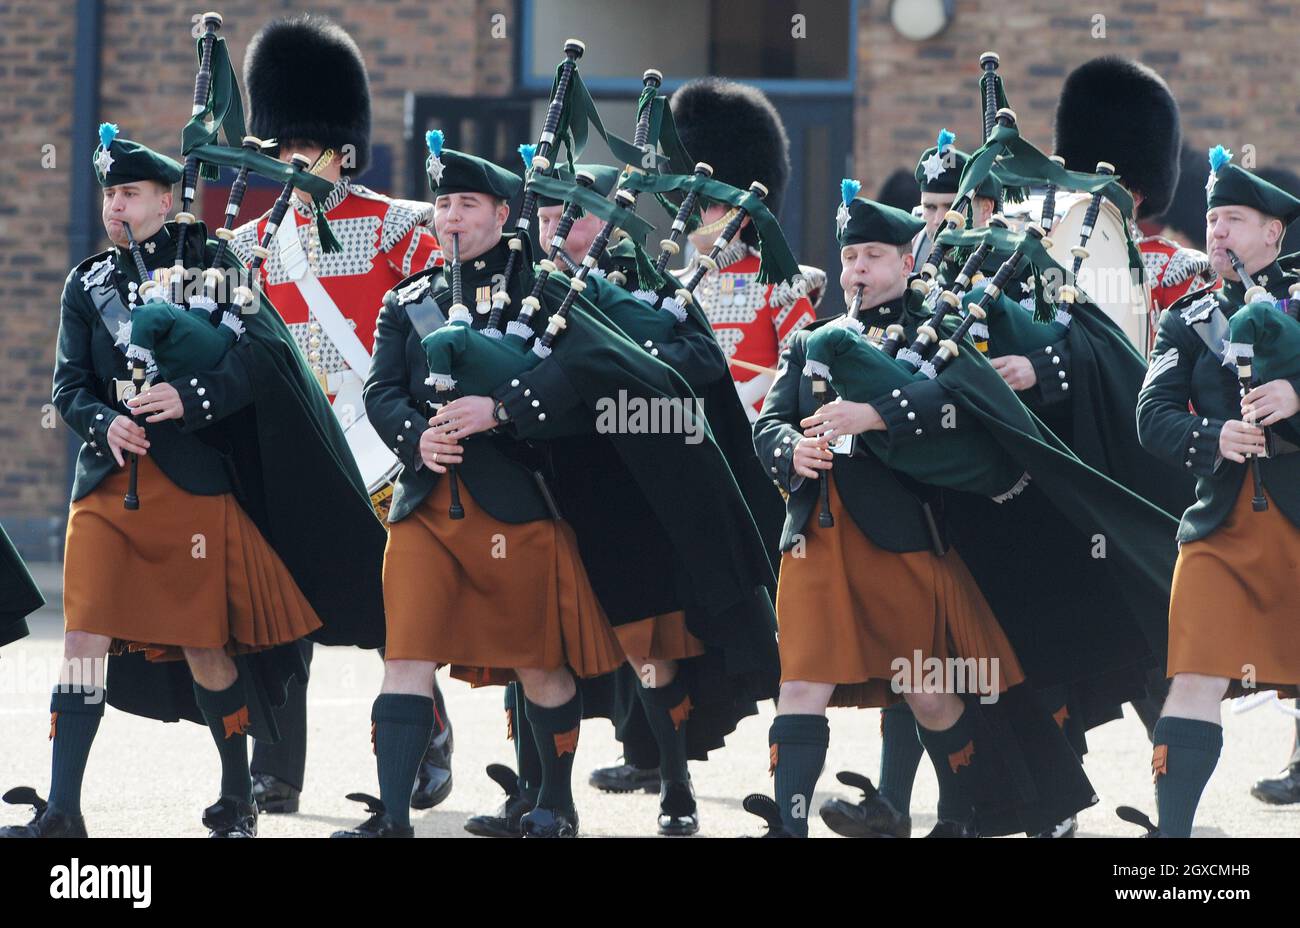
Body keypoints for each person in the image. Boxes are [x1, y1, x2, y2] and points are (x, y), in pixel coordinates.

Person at [334, 141, 779, 838]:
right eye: (441, 204)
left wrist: (508, 409)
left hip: (603, 489)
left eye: (467, 204)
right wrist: (417, 435)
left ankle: (671, 782)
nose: (558, 227)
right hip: (478, 489)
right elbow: (384, 389)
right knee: (475, 657)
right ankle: (485, 802)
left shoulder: (583, 288)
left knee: (636, 647)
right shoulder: (415, 296)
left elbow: (607, 369)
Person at [745, 191, 1177, 838]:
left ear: (906, 261)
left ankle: (969, 812)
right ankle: (789, 825)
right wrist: (790, 449)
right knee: (802, 683)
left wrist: (877, 413)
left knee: (929, 689)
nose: (858, 269)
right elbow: (772, 420)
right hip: (816, 534)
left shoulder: (946, 328)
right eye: (849, 257)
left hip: (903, 536)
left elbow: (968, 398)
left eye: (873, 256)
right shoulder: (815, 339)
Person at [0, 124, 385, 838]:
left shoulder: (216, 264)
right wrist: (100, 423)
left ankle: (236, 797)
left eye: (131, 193)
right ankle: (62, 810)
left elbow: (263, 365)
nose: (116, 206)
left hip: (193, 480)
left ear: (169, 197)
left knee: (206, 643)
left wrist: (191, 398)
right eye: (109, 193)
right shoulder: (87, 282)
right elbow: (68, 387)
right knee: (82, 641)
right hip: (107, 484)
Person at [231, 14, 450, 815]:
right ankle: (274, 770)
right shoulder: (251, 244)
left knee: (401, 594)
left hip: (382, 438)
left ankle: (423, 731)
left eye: (306, 146)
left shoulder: (401, 226)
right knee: (279, 608)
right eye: (282, 146)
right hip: (301, 442)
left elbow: (437, 331)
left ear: (339, 143)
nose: (293, 160)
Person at [1128, 150, 1300, 837]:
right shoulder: (1189, 319)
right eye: (1212, 219)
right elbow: (1152, 415)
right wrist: (1214, 438)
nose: (1219, 232)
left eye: (1234, 219)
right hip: (1221, 528)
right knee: (1194, 680)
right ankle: (1175, 844)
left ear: (1273, 234)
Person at [667, 77, 824, 420]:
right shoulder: (670, 282)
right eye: (687, 199)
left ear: (740, 210)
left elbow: (808, 370)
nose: (692, 211)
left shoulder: (779, 282)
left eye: (707, 202)